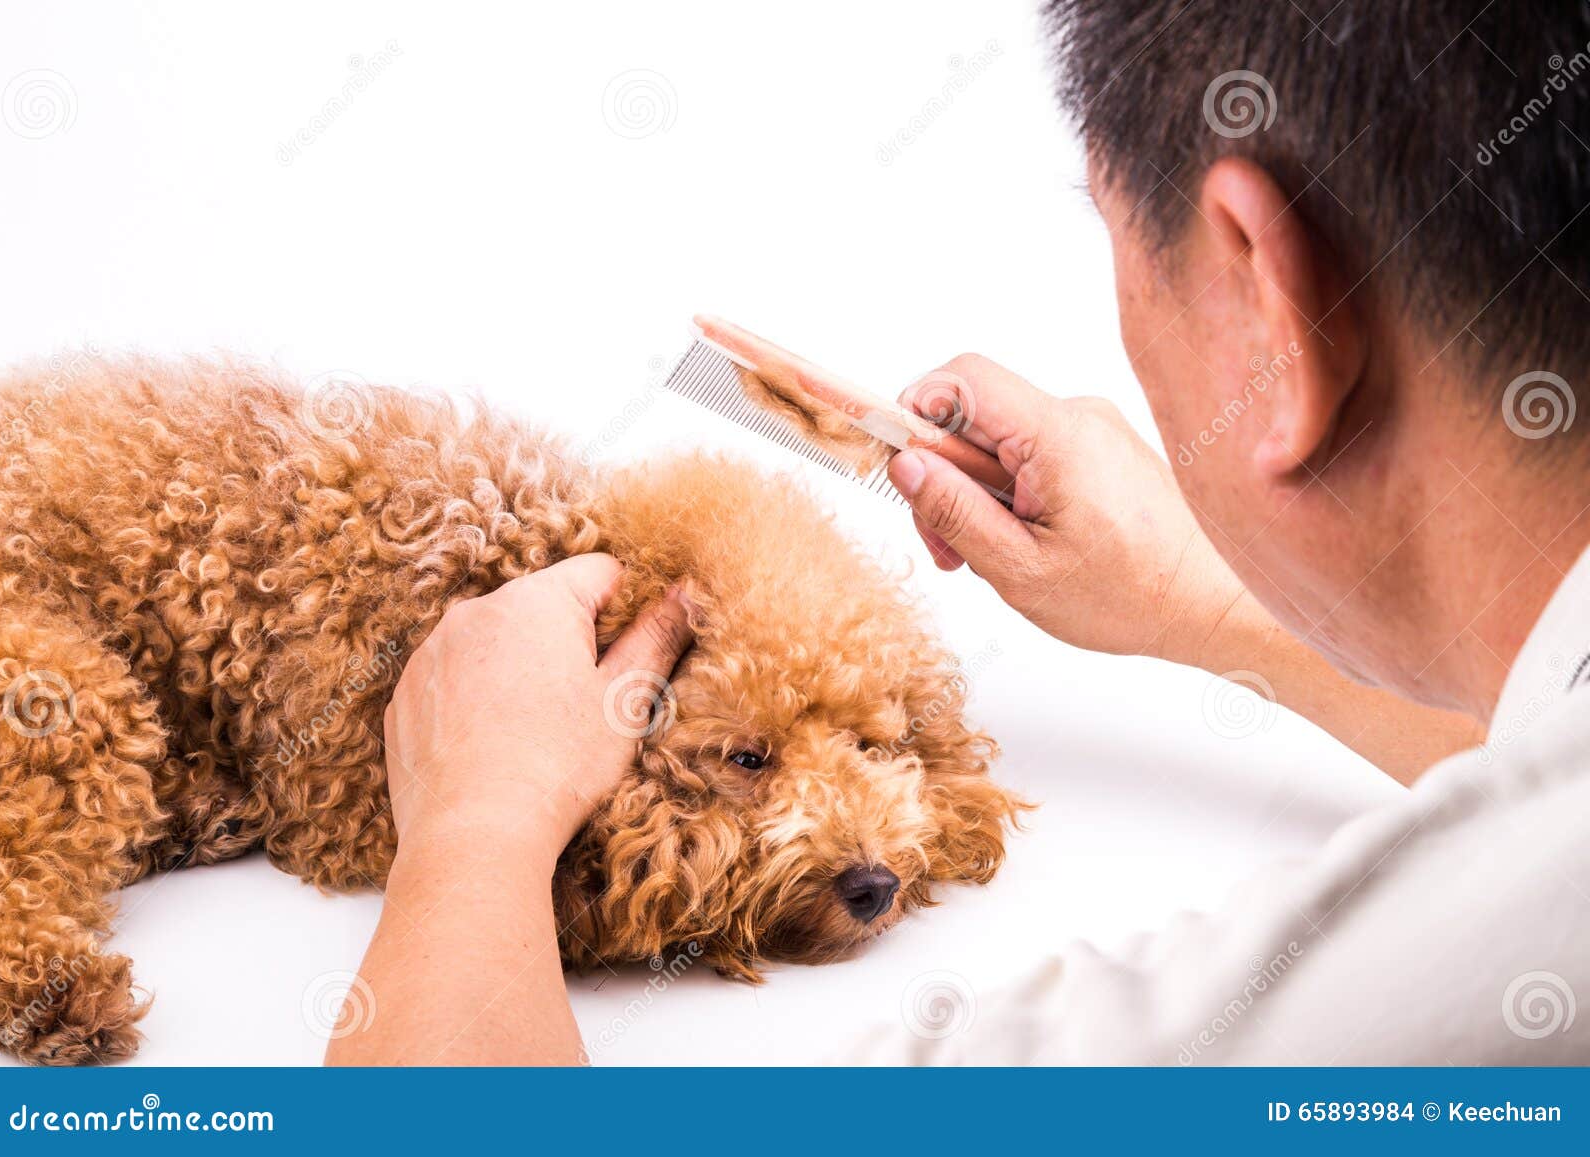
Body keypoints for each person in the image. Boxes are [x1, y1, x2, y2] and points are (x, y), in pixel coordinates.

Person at [330, 1, 1590, 1064]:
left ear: (1269, 304)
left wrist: (479, 827)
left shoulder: (1372, 1002)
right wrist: (1192, 599)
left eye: (1117, 240)